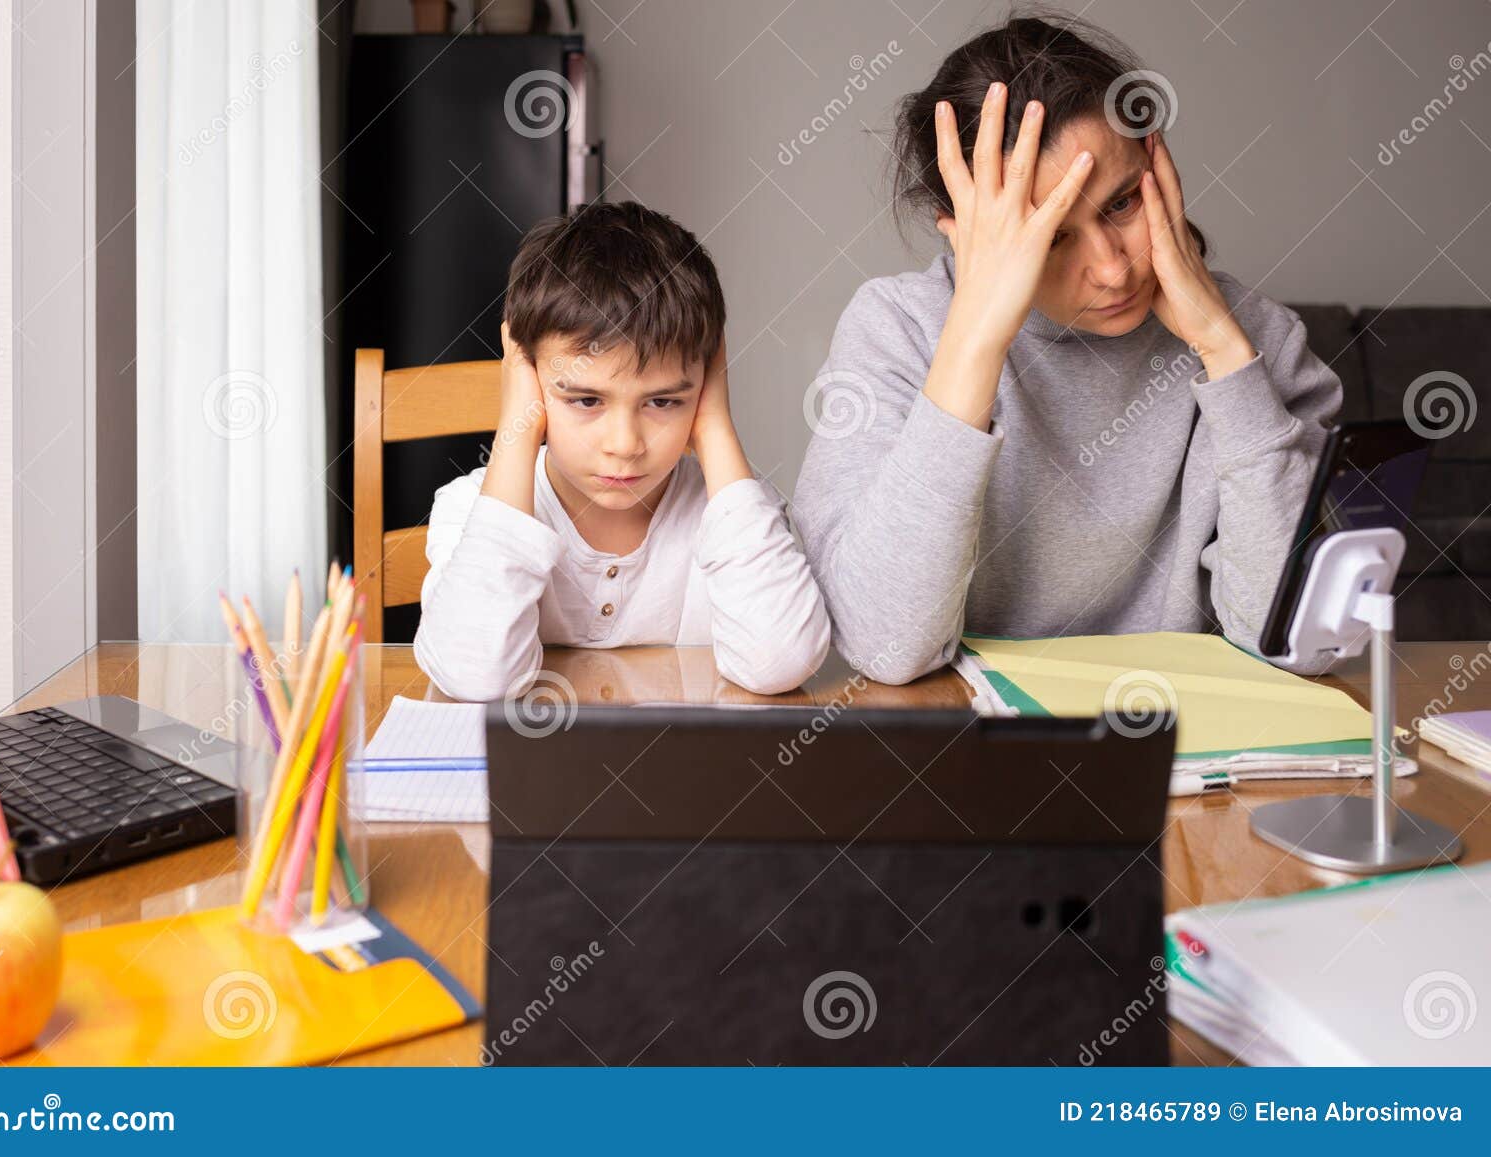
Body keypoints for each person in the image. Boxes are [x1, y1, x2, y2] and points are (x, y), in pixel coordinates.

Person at [791, 12, 1341, 684]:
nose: (1112, 269)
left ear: (1154, 163)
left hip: (1181, 753)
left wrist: (1225, 351)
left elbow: (1291, 642)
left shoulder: (1258, 342)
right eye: (1050, 238)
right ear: (967, 239)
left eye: (1121, 204)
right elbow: (886, 646)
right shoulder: (897, 330)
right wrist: (976, 338)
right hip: (965, 756)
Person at [414, 201, 831, 700]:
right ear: (524, 369)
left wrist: (716, 427)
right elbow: (475, 676)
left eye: (663, 401)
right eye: (586, 400)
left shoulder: (736, 510)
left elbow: (781, 664)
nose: (624, 445)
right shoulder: (473, 510)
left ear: (705, 383)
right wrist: (517, 429)